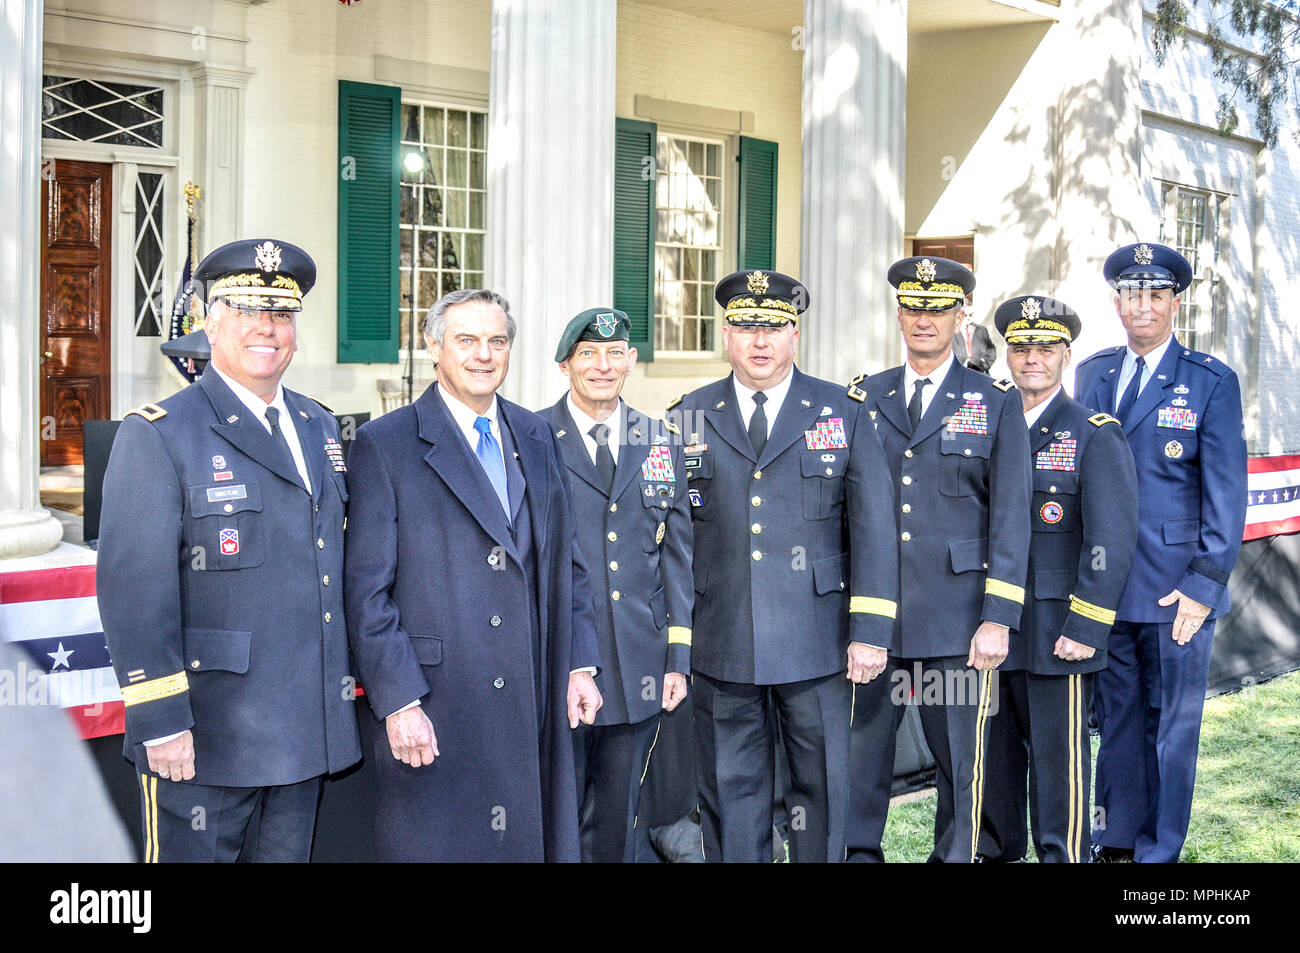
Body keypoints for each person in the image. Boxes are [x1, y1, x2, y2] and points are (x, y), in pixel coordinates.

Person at [97, 238, 361, 862]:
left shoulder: (320, 425)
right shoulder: (159, 434)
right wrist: (160, 719)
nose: (266, 329)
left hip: (303, 728)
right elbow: (135, 591)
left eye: (282, 314)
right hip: (207, 733)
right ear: (210, 323)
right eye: (246, 311)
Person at [344, 288, 603, 862]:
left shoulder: (535, 436)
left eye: (497, 341)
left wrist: (580, 663)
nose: (484, 354)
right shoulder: (385, 444)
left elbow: (569, 562)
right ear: (434, 347)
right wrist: (399, 700)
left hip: (532, 693)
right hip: (439, 702)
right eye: (467, 340)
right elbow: (366, 593)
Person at [672, 269, 898, 863]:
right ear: (726, 335)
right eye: (746, 326)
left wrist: (870, 633)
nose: (760, 339)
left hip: (818, 643)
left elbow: (873, 530)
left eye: (774, 326)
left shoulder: (842, 411)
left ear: (795, 335)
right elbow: (670, 537)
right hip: (722, 639)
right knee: (730, 791)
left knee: (820, 788)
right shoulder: (686, 416)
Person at [846, 256, 1031, 863]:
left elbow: (1010, 518)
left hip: (957, 622)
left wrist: (998, 617)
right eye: (913, 308)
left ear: (961, 316)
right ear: (899, 314)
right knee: (860, 763)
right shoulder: (861, 397)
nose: (923, 320)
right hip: (875, 621)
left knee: (960, 764)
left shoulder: (994, 400)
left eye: (938, 309)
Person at [1073, 242, 1247, 862]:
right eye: (1129, 293)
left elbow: (1227, 498)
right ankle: (1114, 840)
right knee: (1113, 719)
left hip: (1177, 590)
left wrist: (1204, 586)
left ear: (1175, 302)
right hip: (1105, 588)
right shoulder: (1091, 373)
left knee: (1170, 728)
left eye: (1154, 294)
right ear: (1116, 301)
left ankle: (1157, 851)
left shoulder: (1209, 382)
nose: (1141, 306)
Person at [976, 295, 1139, 862]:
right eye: (1020, 347)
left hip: (1057, 631)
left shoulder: (1092, 433)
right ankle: (995, 852)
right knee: (991, 761)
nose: (1031, 359)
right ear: (1007, 355)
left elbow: (1110, 541)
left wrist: (1087, 626)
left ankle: (1062, 856)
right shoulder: (985, 423)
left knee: (1059, 764)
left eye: (1045, 347)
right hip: (989, 629)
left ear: (1066, 355)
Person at [541, 307, 693, 863]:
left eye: (614, 354)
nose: (602, 366)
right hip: (559, 660)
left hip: (638, 662)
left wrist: (678, 656)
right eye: (587, 354)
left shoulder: (660, 439)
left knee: (621, 816)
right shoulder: (533, 437)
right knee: (555, 811)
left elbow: (678, 554)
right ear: (564, 364)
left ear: (630, 361)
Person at [953, 298, 997, 374]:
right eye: (965, 315)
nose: (968, 317)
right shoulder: (952, 331)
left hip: (980, 372)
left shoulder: (982, 330)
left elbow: (991, 350)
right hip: (958, 372)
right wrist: (965, 362)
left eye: (971, 315)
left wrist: (984, 363)